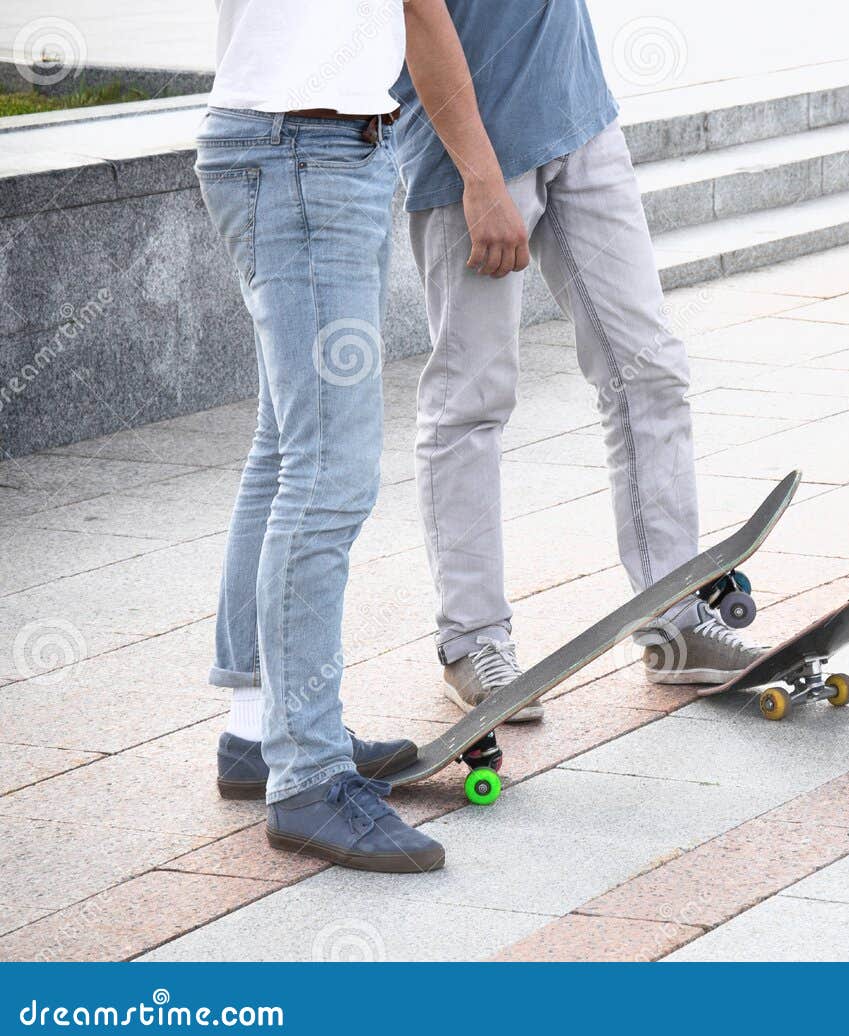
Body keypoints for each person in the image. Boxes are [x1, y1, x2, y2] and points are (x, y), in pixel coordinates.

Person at [200, 0, 526, 872]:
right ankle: (307, 777)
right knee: (328, 472)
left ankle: (258, 730)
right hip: (304, 151)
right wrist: (483, 175)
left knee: (284, 451)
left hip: (282, 142)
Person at [389, 0, 762, 724]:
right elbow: (416, 13)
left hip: (580, 119)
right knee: (471, 400)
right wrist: (479, 177)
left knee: (648, 370)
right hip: (474, 154)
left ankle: (673, 619)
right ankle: (472, 640)